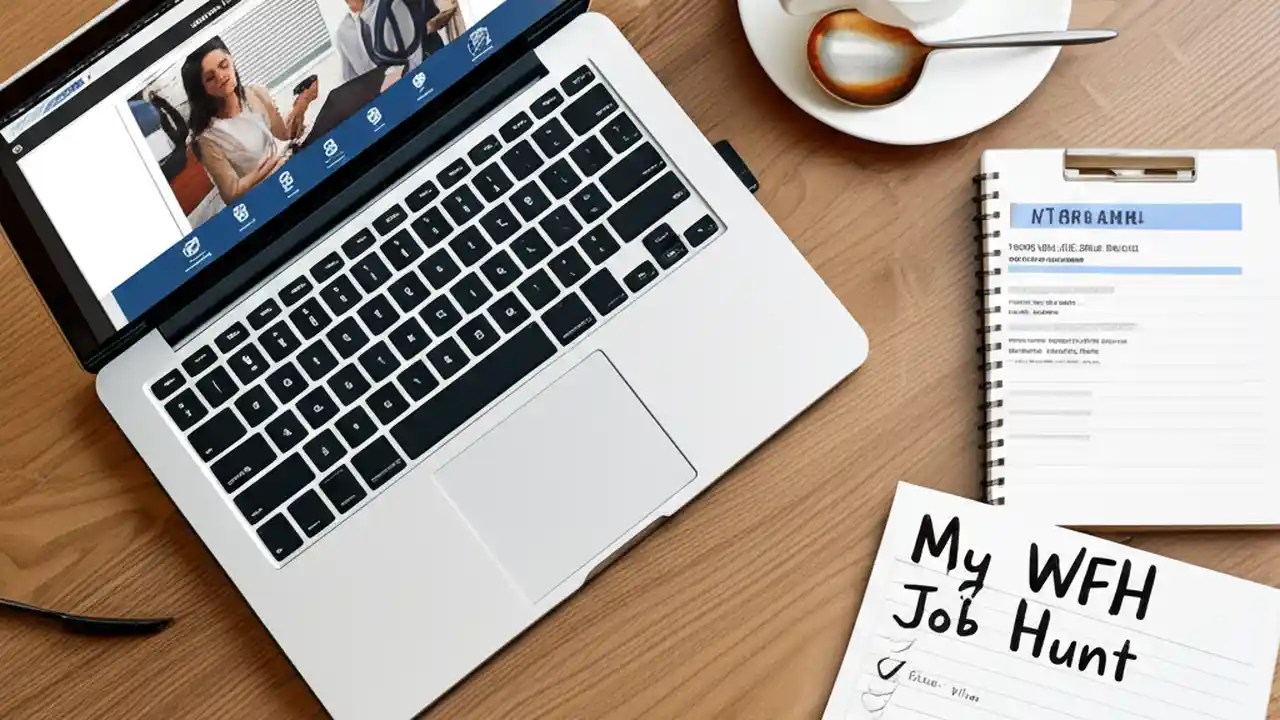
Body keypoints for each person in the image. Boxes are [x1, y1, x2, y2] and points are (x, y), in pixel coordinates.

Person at [181, 36, 319, 204]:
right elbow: (232, 193)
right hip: (272, 188)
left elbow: (284, 136)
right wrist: (273, 163)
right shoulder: (207, 138)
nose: (221, 77)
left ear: (231, 59)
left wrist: (302, 104)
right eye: (210, 78)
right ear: (201, 90)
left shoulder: (255, 93)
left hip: (292, 162)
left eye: (224, 65)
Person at [335, 0, 459, 85]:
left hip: (430, 68)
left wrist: (427, 27)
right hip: (395, 100)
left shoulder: (390, 4)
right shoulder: (343, 35)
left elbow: (438, 13)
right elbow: (352, 84)